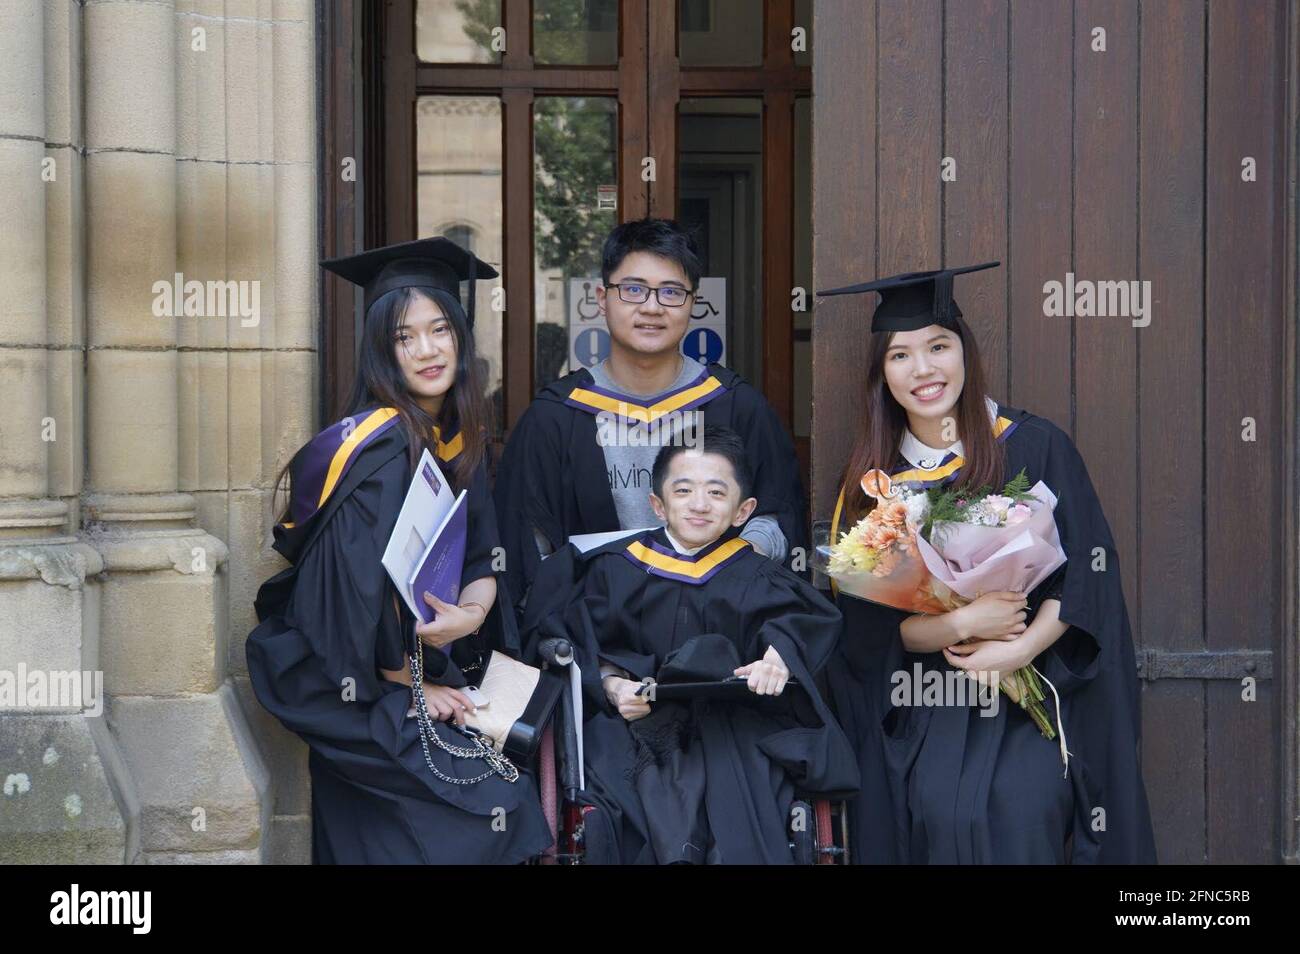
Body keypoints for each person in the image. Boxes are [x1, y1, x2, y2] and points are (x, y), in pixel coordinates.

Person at [817, 262, 1156, 864]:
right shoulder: (873, 488)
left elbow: (1089, 577)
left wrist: (1019, 651)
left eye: (938, 347)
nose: (923, 370)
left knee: (1021, 808)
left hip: (1034, 699)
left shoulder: (1033, 444)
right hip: (926, 705)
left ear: (965, 354)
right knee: (941, 814)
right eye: (900, 355)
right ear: (881, 376)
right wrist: (961, 626)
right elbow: (868, 636)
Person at [246, 237, 551, 864]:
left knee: (393, 830)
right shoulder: (381, 450)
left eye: (438, 329)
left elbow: (483, 550)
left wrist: (472, 609)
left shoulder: (458, 438)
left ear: (461, 335)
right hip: (346, 677)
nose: (426, 350)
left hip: (409, 667)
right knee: (493, 810)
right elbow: (355, 587)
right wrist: (405, 684)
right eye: (403, 338)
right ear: (382, 353)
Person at [522, 426, 859, 864]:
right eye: (684, 490)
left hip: (731, 724)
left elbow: (803, 621)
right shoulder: (615, 569)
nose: (700, 504)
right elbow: (574, 638)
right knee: (620, 799)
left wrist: (777, 659)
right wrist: (610, 685)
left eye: (717, 493)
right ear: (658, 504)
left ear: (743, 511)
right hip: (633, 725)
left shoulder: (756, 575)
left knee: (744, 781)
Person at [494, 218, 807, 613]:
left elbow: (777, 516)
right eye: (633, 289)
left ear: (694, 302)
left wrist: (727, 569)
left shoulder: (736, 407)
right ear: (602, 298)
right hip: (593, 632)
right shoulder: (555, 417)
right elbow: (526, 544)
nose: (652, 307)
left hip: (717, 626)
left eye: (672, 292)